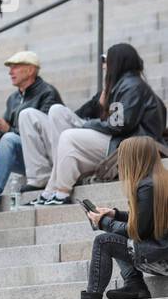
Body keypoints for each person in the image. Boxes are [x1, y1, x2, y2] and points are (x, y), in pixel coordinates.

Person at [23, 43, 166, 206]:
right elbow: (87, 113)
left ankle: (60, 193)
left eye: (107, 60)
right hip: (120, 140)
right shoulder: (121, 85)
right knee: (58, 114)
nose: (104, 66)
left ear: (118, 61)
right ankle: (52, 191)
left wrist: (86, 125)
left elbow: (119, 124)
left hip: (129, 144)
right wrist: (101, 104)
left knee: (68, 136)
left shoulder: (131, 85)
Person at [60, 136, 168, 299]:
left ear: (133, 158)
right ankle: (134, 285)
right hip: (162, 251)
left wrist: (103, 222)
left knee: (104, 241)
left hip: (160, 258)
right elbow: (148, 220)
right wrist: (115, 214)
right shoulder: (159, 181)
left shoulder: (145, 186)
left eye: (122, 156)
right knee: (114, 236)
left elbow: (138, 231)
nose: (120, 162)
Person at [0, 51, 64, 211]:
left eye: (15, 67)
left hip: (44, 157)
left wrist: (8, 129)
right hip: (21, 154)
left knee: (9, 139)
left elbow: (45, 136)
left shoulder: (47, 93)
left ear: (30, 70)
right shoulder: (13, 98)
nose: (10, 72)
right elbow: (4, 131)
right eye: (10, 68)